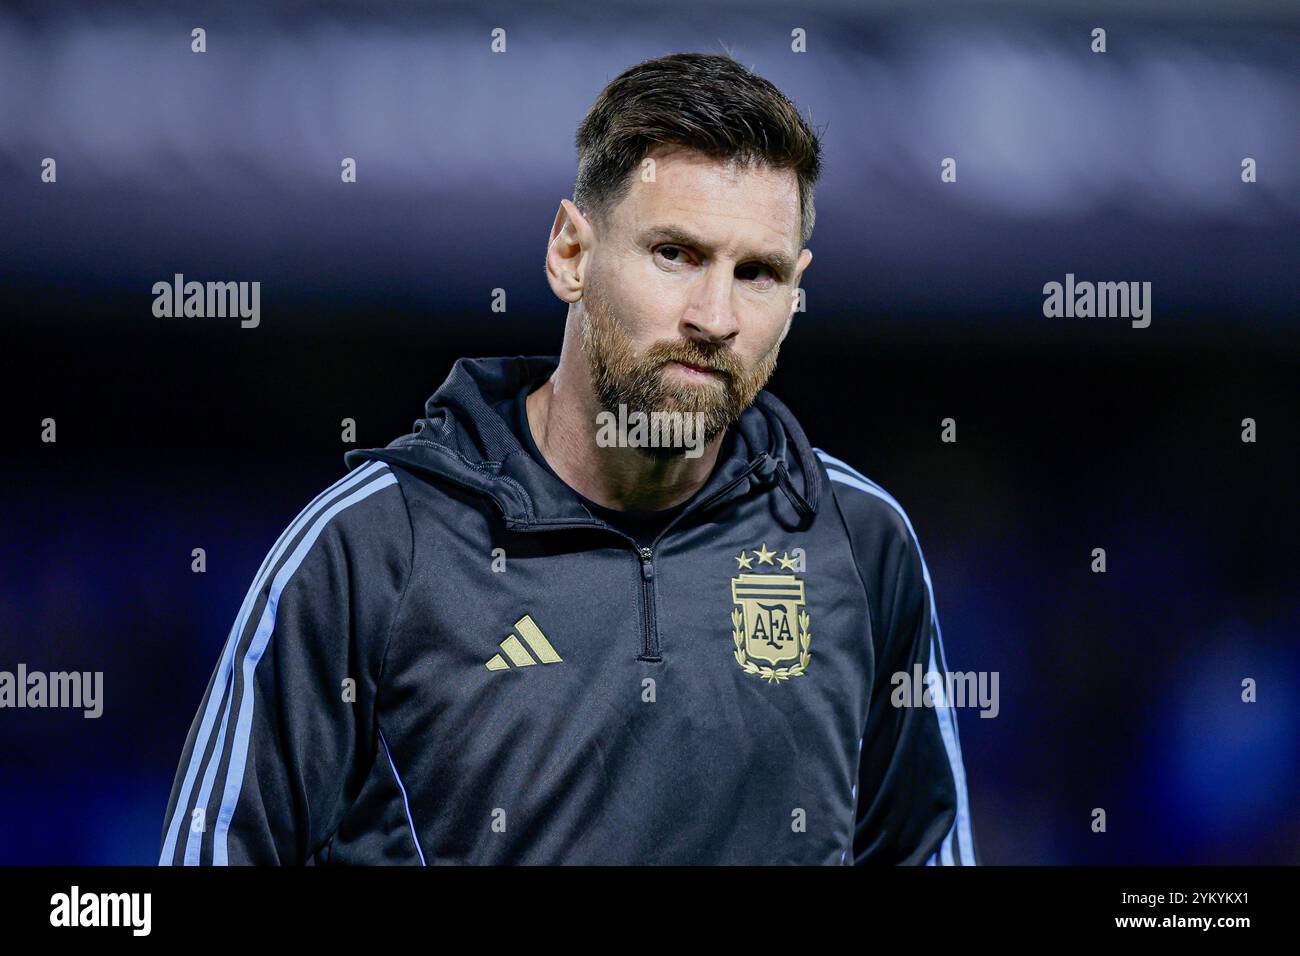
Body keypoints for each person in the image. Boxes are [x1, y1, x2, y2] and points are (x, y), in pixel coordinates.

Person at [160, 51, 976, 865]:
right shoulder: (372, 550)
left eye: (757, 273)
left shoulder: (859, 543)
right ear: (570, 254)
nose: (715, 315)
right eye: (676, 255)